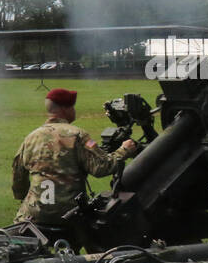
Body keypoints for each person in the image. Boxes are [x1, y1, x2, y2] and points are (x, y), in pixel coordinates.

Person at [11, 88, 138, 230]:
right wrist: (125, 149)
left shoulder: (31, 137)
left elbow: (18, 176)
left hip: (35, 215)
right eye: (72, 106)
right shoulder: (78, 135)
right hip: (70, 214)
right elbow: (102, 167)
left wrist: (22, 197)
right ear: (65, 109)